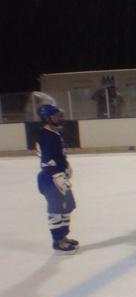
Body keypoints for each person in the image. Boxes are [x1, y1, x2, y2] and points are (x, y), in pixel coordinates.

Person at [35, 104, 79, 253]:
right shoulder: (45, 135)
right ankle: (57, 241)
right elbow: (46, 160)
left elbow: (59, 155)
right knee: (56, 210)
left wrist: (66, 166)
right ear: (46, 118)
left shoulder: (55, 133)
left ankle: (63, 236)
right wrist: (57, 175)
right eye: (54, 115)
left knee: (67, 206)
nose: (58, 117)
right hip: (50, 178)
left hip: (59, 176)